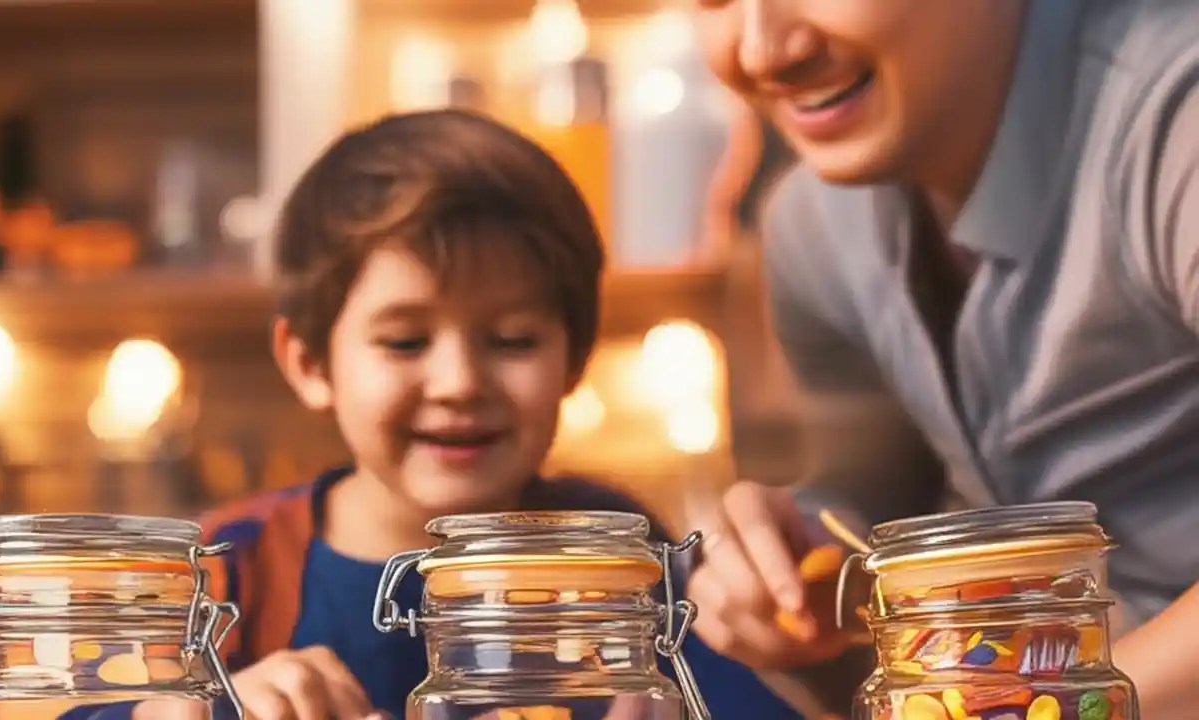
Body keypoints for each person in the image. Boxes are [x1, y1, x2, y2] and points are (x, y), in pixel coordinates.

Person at [64, 110, 803, 720]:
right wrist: (198, 710)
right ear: (311, 363)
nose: (458, 382)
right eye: (405, 341)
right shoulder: (233, 568)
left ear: (572, 358)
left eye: (512, 340)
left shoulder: (619, 560)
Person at [685, 1, 1199, 718]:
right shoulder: (810, 225)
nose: (765, 48)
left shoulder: (1177, 118)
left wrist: (1047, 706)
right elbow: (879, 487)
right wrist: (796, 552)